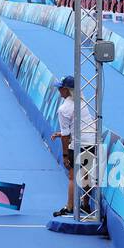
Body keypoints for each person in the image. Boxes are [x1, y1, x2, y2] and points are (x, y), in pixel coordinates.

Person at [50, 76, 91, 217]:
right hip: (91, 141)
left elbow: (67, 135)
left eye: (61, 88)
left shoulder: (63, 109)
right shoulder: (84, 102)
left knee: (73, 177)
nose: (58, 90)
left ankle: (69, 207)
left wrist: (65, 155)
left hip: (78, 144)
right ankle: (86, 206)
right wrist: (61, 134)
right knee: (86, 176)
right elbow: (78, 127)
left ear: (67, 90)